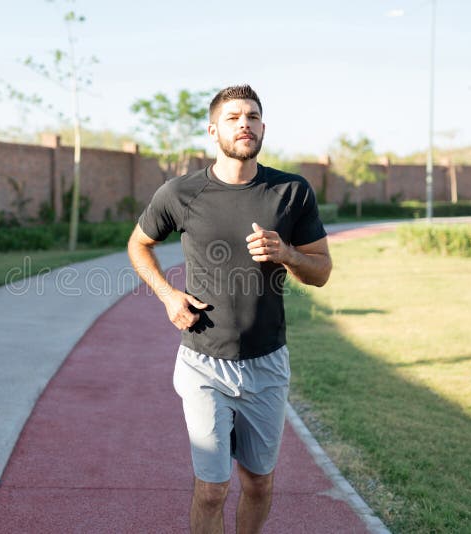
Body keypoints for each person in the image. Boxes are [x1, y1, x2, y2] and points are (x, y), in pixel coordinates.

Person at [127, 84, 332, 534]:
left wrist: (286, 254)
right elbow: (139, 244)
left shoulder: (291, 191)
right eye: (234, 117)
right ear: (213, 130)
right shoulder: (181, 193)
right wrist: (168, 295)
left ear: (263, 128)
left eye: (253, 116)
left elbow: (321, 271)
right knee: (212, 489)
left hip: (267, 362)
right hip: (203, 362)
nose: (245, 124)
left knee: (258, 483)